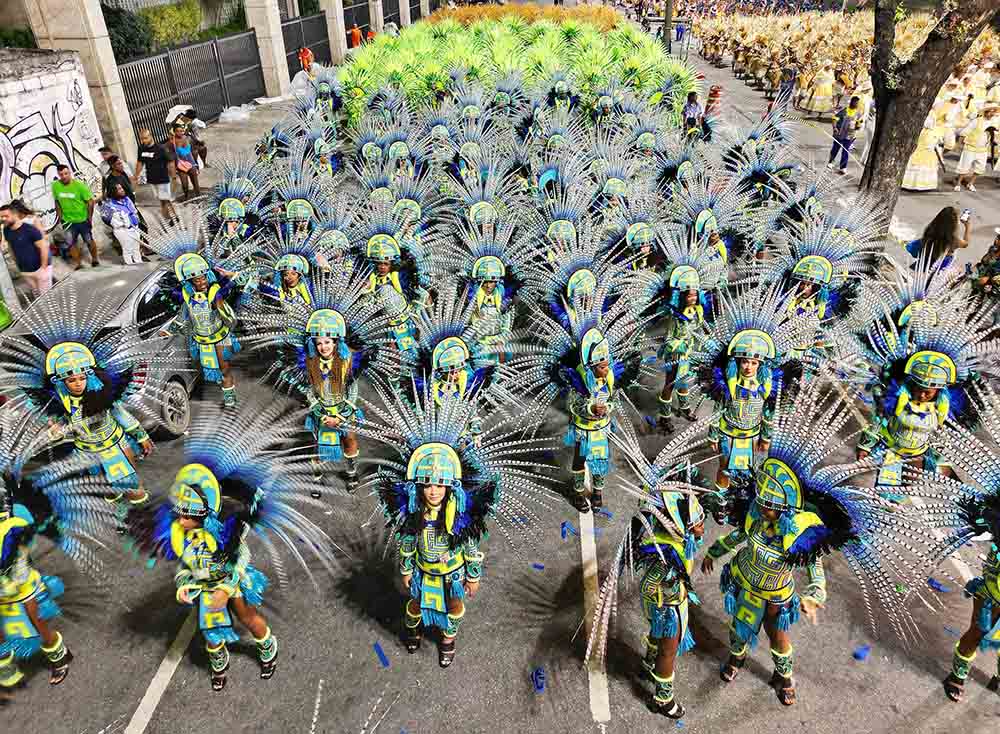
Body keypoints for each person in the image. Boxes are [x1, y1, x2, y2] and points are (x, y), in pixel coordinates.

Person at [50, 165, 98, 269]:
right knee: (71, 243)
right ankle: (78, 263)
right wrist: (59, 217)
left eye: (66, 174)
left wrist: (89, 217)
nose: (64, 176)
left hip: (82, 219)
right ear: (58, 175)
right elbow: (57, 201)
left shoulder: (79, 186)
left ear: (70, 173)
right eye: (61, 174)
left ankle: (94, 259)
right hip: (67, 221)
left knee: (89, 240)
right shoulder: (55, 186)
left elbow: (90, 202)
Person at [1, 201, 51, 298]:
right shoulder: (8, 228)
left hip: (39, 254)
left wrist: (44, 267)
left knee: (46, 294)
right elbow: (11, 247)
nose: (3, 219)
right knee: (36, 292)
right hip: (25, 266)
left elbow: (42, 240)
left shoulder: (30, 222)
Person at [134, 128, 178, 223]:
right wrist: (136, 176)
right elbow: (140, 162)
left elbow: (170, 162)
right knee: (162, 200)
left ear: (151, 136)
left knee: (165, 199)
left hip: (162, 179)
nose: (143, 141)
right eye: (142, 139)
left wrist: (173, 177)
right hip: (151, 179)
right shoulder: (141, 148)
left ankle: (169, 218)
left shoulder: (161, 148)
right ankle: (173, 217)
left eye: (145, 138)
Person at [100, 183, 143, 265]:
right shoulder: (109, 205)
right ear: (113, 192)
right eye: (119, 189)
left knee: (136, 248)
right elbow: (107, 219)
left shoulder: (127, 199)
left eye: (121, 188)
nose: (122, 190)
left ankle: (139, 263)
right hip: (123, 231)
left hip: (134, 227)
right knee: (127, 249)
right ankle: (130, 265)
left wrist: (135, 220)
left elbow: (134, 211)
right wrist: (122, 222)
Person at [955, 107, 993, 192]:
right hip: (971, 147)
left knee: (980, 167)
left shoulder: (993, 123)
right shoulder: (977, 121)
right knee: (964, 166)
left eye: (993, 113)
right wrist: (959, 143)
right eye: (990, 112)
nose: (991, 114)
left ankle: (971, 183)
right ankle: (958, 183)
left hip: (983, 149)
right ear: (985, 112)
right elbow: (966, 131)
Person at [826, 95, 863, 174]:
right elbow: (834, 118)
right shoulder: (844, 110)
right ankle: (831, 162)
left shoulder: (858, 114)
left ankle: (843, 167)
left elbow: (859, 125)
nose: (856, 104)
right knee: (835, 149)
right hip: (839, 134)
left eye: (857, 103)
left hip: (850, 136)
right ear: (851, 102)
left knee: (845, 151)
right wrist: (835, 127)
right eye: (854, 102)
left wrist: (857, 126)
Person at [170, 125, 201, 200]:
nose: (181, 133)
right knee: (185, 185)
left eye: (182, 131)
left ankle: (199, 197)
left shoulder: (187, 138)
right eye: (178, 131)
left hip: (191, 164)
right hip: (181, 166)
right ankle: (187, 198)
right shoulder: (172, 142)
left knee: (195, 182)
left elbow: (193, 152)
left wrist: (196, 165)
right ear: (174, 132)